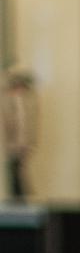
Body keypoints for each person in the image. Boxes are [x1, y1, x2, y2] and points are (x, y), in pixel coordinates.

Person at [2, 67, 37, 200]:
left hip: (22, 143)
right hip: (12, 143)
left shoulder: (27, 102)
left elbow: (30, 125)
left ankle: (21, 195)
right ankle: (20, 194)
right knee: (14, 169)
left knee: (19, 169)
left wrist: (30, 142)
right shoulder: (7, 101)